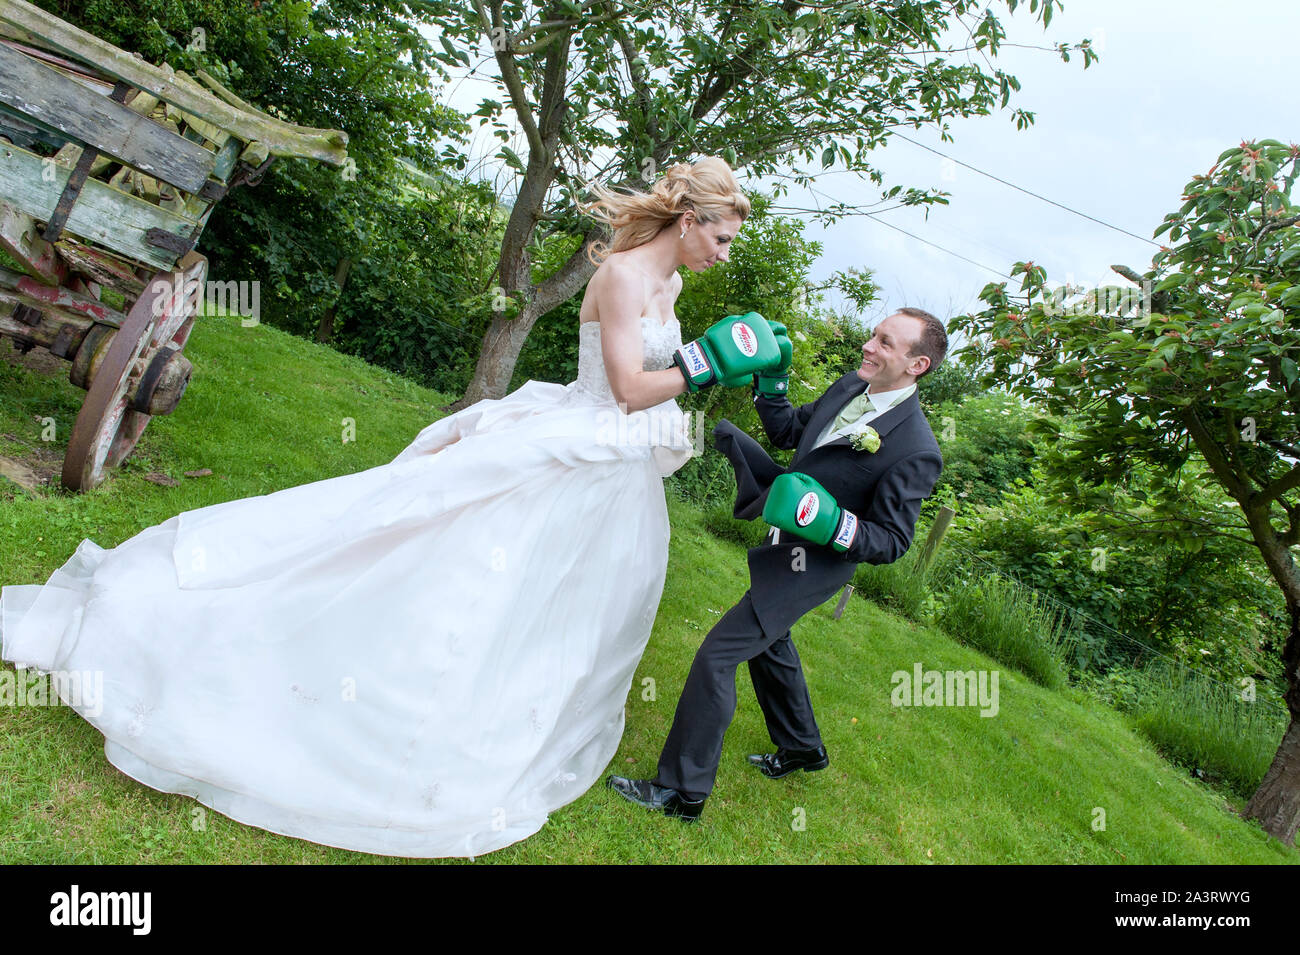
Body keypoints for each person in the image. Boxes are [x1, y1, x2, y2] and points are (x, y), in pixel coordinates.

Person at [0, 156, 778, 857]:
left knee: (567, 606)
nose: (724, 254)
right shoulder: (622, 278)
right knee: (469, 572)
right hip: (579, 443)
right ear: (688, 221)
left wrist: (707, 365)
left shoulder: (673, 286)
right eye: (721, 238)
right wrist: (706, 363)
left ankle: (510, 717)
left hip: (616, 474)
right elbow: (629, 388)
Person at [607, 308, 948, 821]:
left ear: (917, 365)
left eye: (885, 342)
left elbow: (893, 540)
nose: (868, 346)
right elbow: (789, 432)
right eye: (873, 334)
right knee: (771, 643)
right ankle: (802, 746)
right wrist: (773, 380)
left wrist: (833, 524)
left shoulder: (917, 448)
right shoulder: (849, 386)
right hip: (784, 539)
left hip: (815, 567)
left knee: (718, 656)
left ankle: (682, 791)